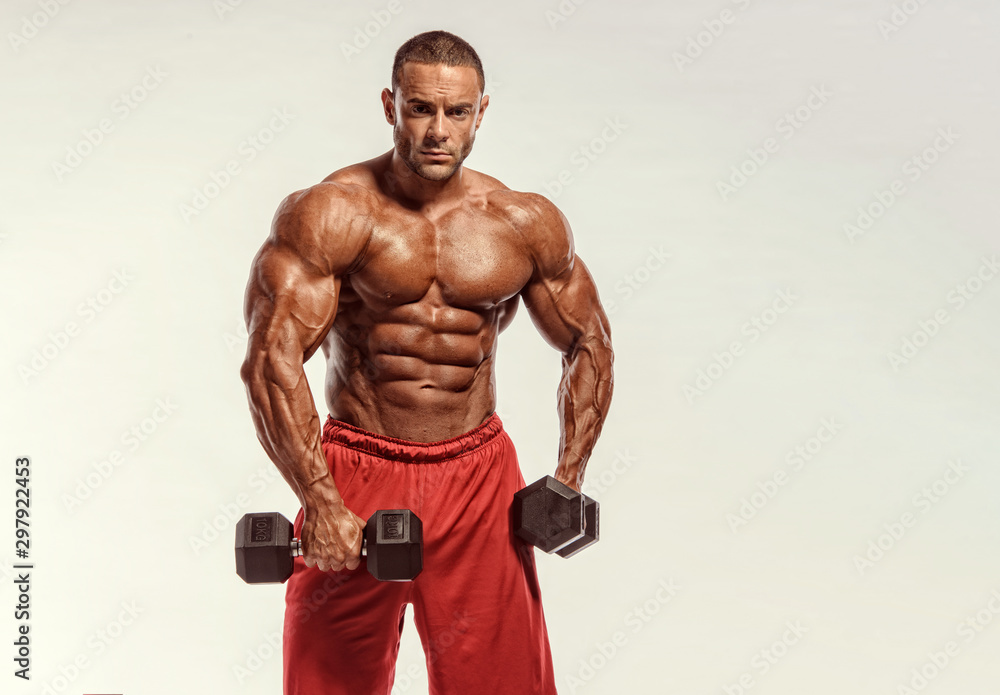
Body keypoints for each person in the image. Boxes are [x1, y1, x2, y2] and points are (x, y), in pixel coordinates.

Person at [240, 29, 614, 695]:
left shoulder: (521, 222)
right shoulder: (330, 214)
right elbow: (271, 363)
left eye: (457, 112)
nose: (438, 130)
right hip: (356, 468)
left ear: (481, 112)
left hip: (479, 480)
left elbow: (589, 342)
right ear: (390, 105)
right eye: (421, 109)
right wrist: (319, 500)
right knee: (327, 683)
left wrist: (567, 476)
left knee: (502, 684)